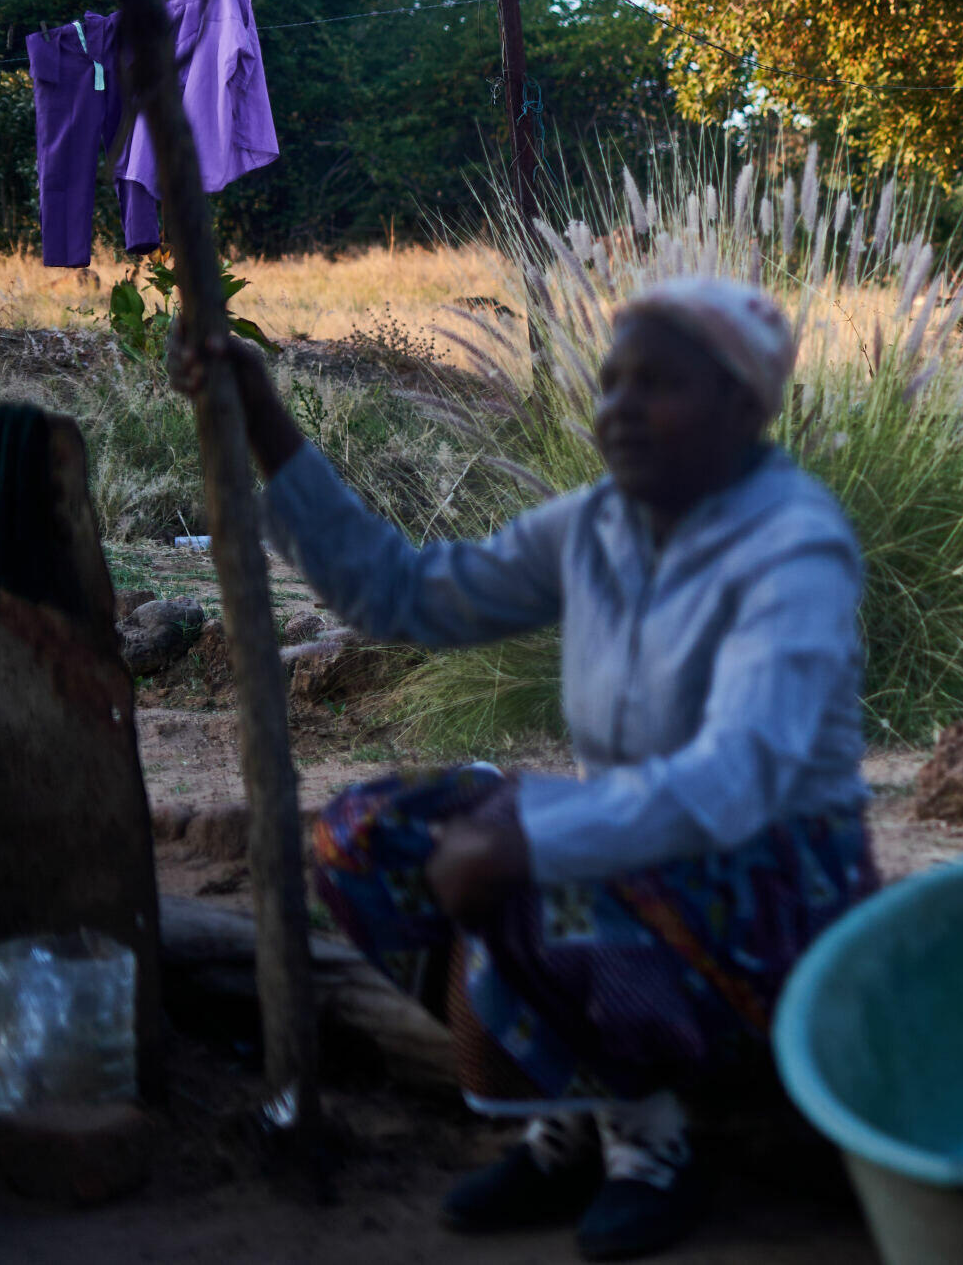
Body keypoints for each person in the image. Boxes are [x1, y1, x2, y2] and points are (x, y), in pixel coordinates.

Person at [171, 277, 873, 1262]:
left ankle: (649, 1143)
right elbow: (402, 594)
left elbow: (733, 779)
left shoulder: (792, 548)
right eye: (611, 383)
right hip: (633, 845)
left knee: (538, 877)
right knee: (365, 840)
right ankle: (572, 1108)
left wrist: (525, 834)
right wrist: (266, 426)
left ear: (743, 407)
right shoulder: (597, 526)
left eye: (658, 385)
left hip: (771, 882)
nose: (619, 409)